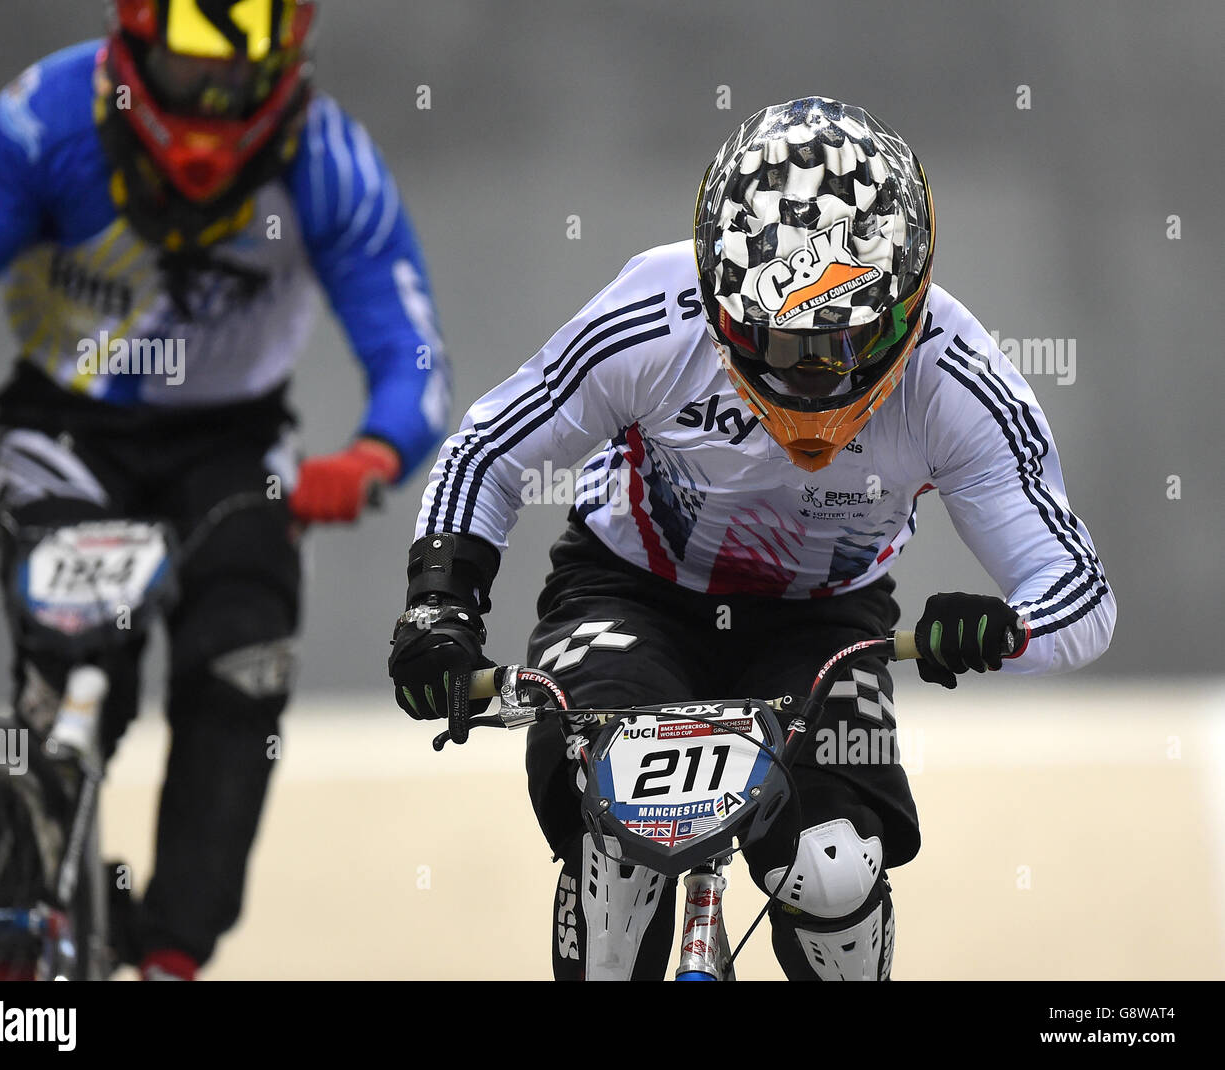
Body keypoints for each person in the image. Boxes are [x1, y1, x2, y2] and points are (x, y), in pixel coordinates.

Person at [388, 97, 1114, 980]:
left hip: (823, 621)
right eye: (783, 342)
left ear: (911, 303)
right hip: (630, 592)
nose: (817, 380)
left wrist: (1007, 629)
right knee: (616, 848)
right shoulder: (653, 312)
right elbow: (491, 451)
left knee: (833, 868)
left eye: (851, 340)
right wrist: (437, 607)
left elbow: (1077, 593)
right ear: (717, 299)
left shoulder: (959, 379)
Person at [0, 0, 449, 980]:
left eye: (233, 83)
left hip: (234, 452)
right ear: (130, 50)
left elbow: (410, 350)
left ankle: (171, 955)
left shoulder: (328, 163)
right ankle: (7, 957)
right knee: (75, 669)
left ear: (286, 71)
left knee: (239, 671)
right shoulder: (43, 118)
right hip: (67, 435)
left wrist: (371, 454)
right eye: (186, 76)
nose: (208, 106)